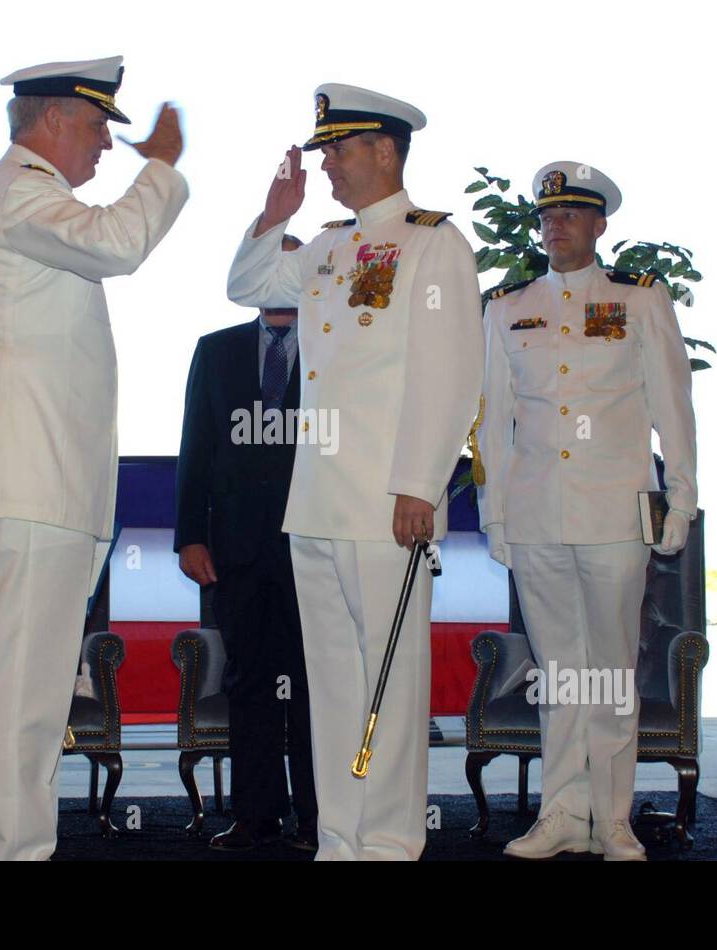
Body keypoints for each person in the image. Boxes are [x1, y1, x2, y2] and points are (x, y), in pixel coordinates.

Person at [0, 56, 187, 861]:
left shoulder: (25, 197)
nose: (107, 147)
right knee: (20, 692)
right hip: (27, 474)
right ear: (51, 121)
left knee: (39, 693)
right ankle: (11, 854)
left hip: (48, 479)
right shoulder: (20, 193)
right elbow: (119, 243)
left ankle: (22, 849)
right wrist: (163, 166)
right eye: (95, 128)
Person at [227, 84, 483, 860]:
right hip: (316, 502)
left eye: (337, 149)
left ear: (383, 149)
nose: (328, 164)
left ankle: (393, 842)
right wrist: (275, 217)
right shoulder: (331, 245)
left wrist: (419, 483)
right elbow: (247, 285)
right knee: (333, 683)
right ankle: (341, 838)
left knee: (390, 683)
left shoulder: (434, 243)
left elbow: (450, 374)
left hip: (385, 498)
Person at [476, 161, 697, 861]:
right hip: (539, 516)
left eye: (571, 215)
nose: (555, 226)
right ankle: (563, 815)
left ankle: (615, 819)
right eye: (547, 216)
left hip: (613, 517)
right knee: (561, 673)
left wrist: (681, 497)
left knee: (609, 669)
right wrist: (495, 514)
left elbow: (673, 407)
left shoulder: (639, 301)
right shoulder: (508, 307)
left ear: (600, 225)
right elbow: (493, 419)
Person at [174, 233, 319, 851]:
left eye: (293, 264)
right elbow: (196, 450)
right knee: (250, 682)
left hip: (317, 546)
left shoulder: (338, 350)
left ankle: (319, 822)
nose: (280, 277)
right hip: (236, 551)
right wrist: (190, 536)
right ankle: (257, 816)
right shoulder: (217, 351)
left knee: (315, 686)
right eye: (271, 264)